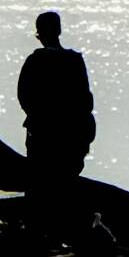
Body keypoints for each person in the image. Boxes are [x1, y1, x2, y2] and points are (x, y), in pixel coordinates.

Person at [18, 11, 96, 185]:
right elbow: (86, 101)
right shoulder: (74, 61)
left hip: (43, 137)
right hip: (71, 138)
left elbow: (24, 97)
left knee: (41, 185)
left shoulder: (35, 61)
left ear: (39, 33)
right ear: (58, 30)